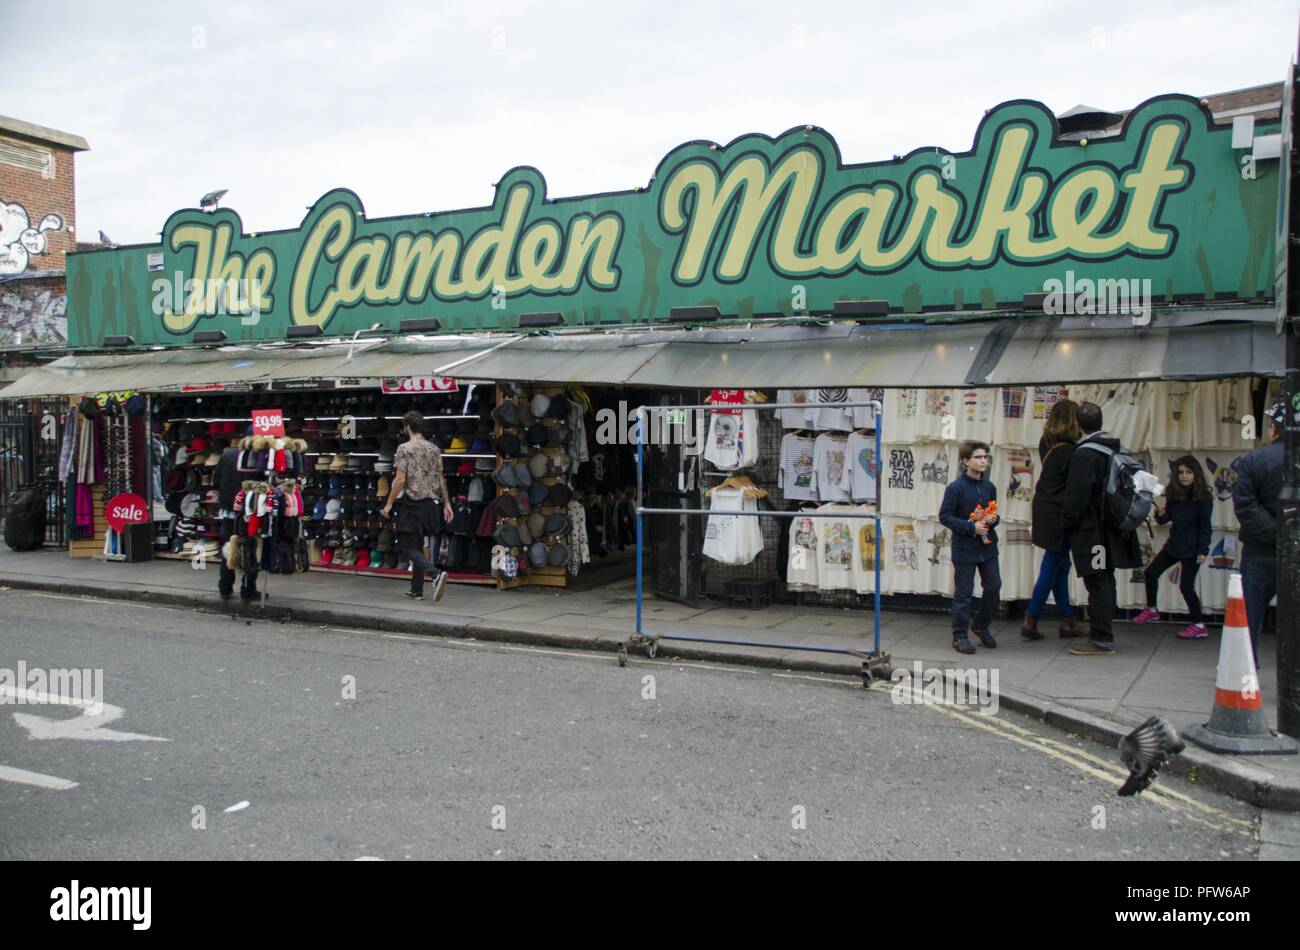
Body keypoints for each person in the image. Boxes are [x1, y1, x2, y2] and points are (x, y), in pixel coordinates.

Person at [1062, 402, 1142, 656]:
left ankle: (1101, 638)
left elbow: (1077, 497)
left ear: (1078, 425)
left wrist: (1066, 523)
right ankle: (1103, 631)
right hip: (1113, 529)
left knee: (1097, 581)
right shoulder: (1115, 447)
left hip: (1092, 531)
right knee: (1105, 578)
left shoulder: (1084, 454)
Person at [1024, 398, 1087, 640]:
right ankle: (1031, 618)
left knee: (1061, 565)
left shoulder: (1046, 443)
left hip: (1044, 507)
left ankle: (1066, 620)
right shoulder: (1072, 450)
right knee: (1053, 564)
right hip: (1059, 511)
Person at [1132, 455, 1212, 638]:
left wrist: (1202, 550)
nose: (1184, 476)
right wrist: (1159, 514)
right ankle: (1152, 609)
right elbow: (1164, 519)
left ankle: (1199, 625)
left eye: (1188, 472)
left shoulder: (1203, 498)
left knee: (1186, 587)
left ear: (1196, 474)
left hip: (1192, 550)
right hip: (1174, 545)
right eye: (1180, 472)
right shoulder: (1174, 495)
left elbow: (1205, 526)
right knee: (1150, 573)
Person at [1231, 402, 1285, 666]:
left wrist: (1275, 533)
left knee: (1249, 617)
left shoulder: (1254, 459)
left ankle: (1245, 669)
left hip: (1259, 551)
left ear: (1274, 428)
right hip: (1291, 553)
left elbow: (1245, 506)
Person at [381, 411, 452, 602]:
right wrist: (447, 504)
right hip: (431, 505)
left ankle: (435, 574)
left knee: (408, 546)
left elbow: (400, 479)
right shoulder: (434, 449)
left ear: (407, 427)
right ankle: (416, 589)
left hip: (412, 504)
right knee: (418, 546)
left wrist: (388, 503)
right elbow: (440, 478)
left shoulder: (405, 448)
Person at [939, 440, 1000, 654]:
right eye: (978, 457)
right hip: (965, 547)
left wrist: (993, 520)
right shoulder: (956, 488)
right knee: (963, 593)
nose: (983, 461)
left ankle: (980, 625)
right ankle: (960, 635)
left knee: (993, 587)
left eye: (985, 457)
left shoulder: (989, 486)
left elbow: (994, 514)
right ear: (966, 461)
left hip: (988, 547)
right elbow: (945, 516)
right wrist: (970, 526)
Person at [215, 440, 257, 601]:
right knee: (249, 549)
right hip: (247, 510)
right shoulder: (258, 456)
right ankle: (248, 589)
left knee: (229, 547)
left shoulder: (227, 454)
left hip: (227, 509)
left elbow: (216, 479)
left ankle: (225, 588)